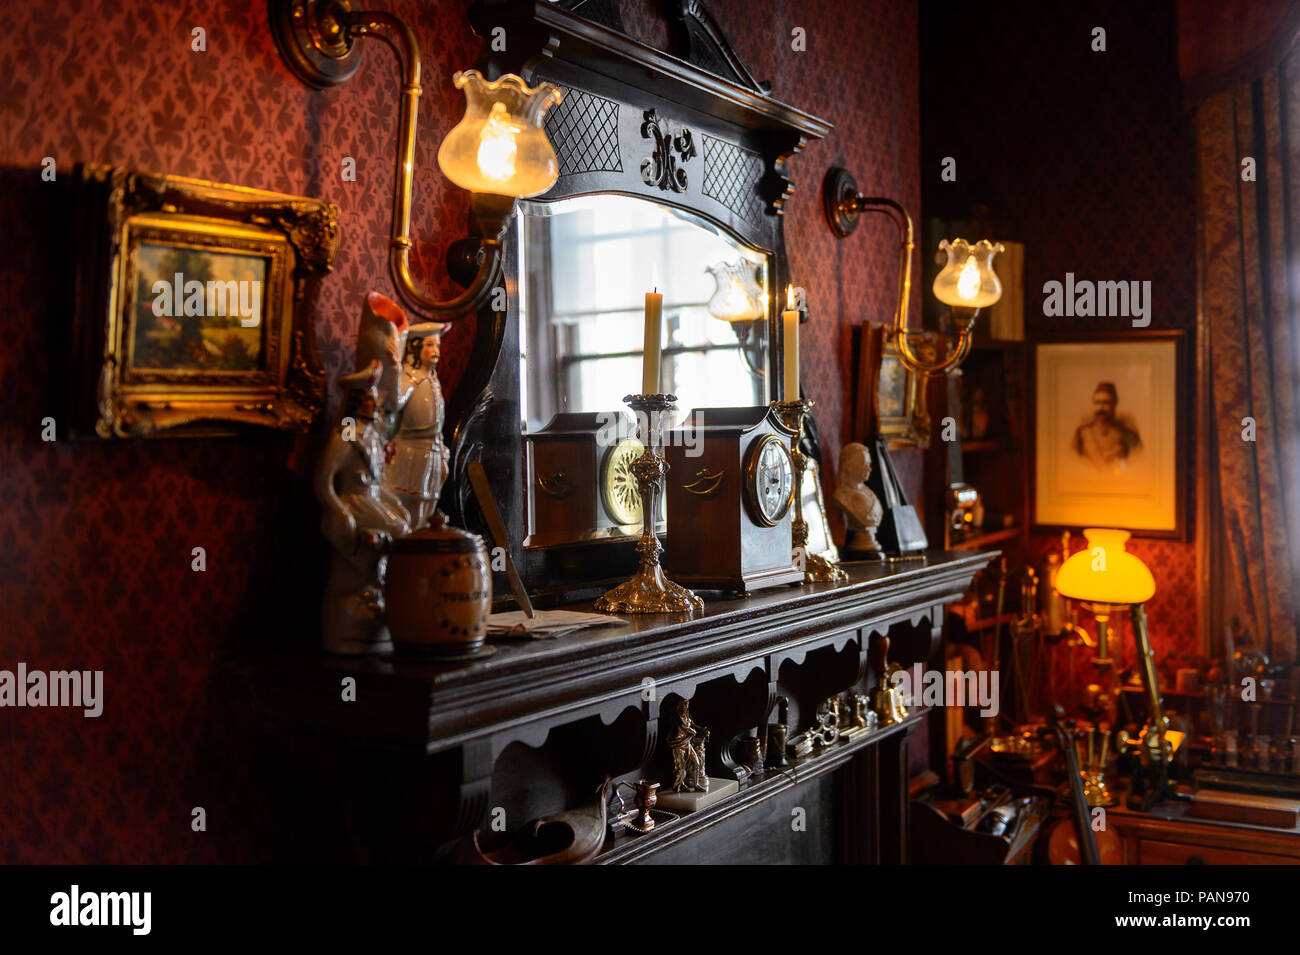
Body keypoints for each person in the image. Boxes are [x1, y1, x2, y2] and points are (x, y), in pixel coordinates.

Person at [1071, 382, 1142, 471]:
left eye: (1106, 403)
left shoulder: (1129, 435)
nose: (1101, 408)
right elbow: (1072, 463)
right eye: (1097, 403)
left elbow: (1138, 464)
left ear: (1115, 404)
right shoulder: (1082, 434)